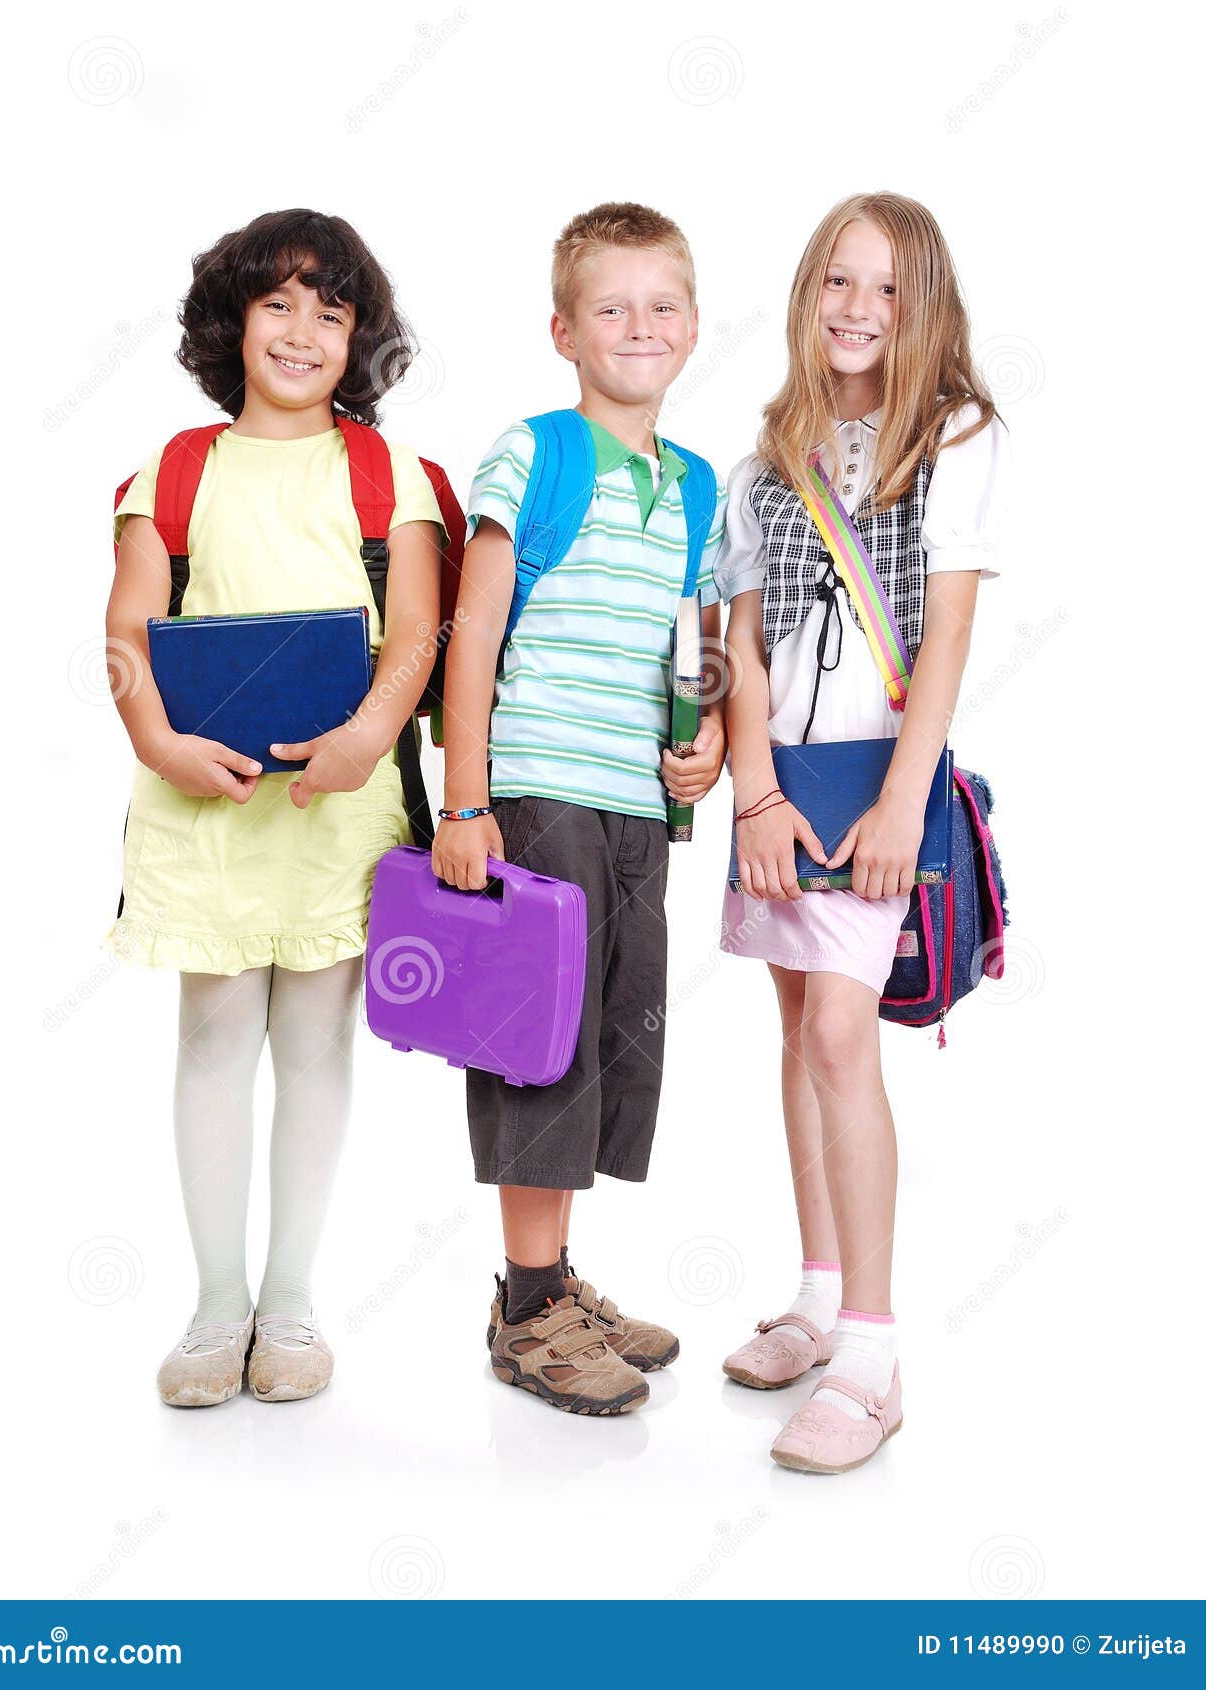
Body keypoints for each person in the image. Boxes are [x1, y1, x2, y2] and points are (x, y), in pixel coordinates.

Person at [105, 209, 442, 1407]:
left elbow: (416, 635)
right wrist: (158, 739)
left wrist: (364, 738)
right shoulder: (179, 470)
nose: (303, 332)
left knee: (314, 1046)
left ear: (362, 339)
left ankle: (290, 1298)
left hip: (337, 816)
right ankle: (214, 1306)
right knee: (211, 1042)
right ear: (232, 322)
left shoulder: (386, 475)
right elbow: (128, 634)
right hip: (205, 813)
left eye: (332, 311)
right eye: (279, 304)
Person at [717, 192, 1009, 1472]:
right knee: (797, 1026)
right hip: (779, 788)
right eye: (838, 281)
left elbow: (945, 631)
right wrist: (753, 792)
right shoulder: (763, 454)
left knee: (843, 1030)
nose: (856, 309)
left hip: (878, 780)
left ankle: (875, 1356)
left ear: (924, 304)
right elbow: (740, 642)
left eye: (887, 288)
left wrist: (907, 792)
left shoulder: (956, 433)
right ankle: (823, 1290)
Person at [433, 202, 728, 1415]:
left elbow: (693, 649)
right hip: (539, 791)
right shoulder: (534, 453)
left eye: (663, 305)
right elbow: (476, 631)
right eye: (611, 307)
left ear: (697, 324)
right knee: (536, 1045)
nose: (639, 327)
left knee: (611, 1035)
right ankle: (527, 1307)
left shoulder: (695, 483)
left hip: (634, 807)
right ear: (564, 329)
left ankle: (549, 1276)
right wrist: (463, 801)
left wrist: (707, 735)